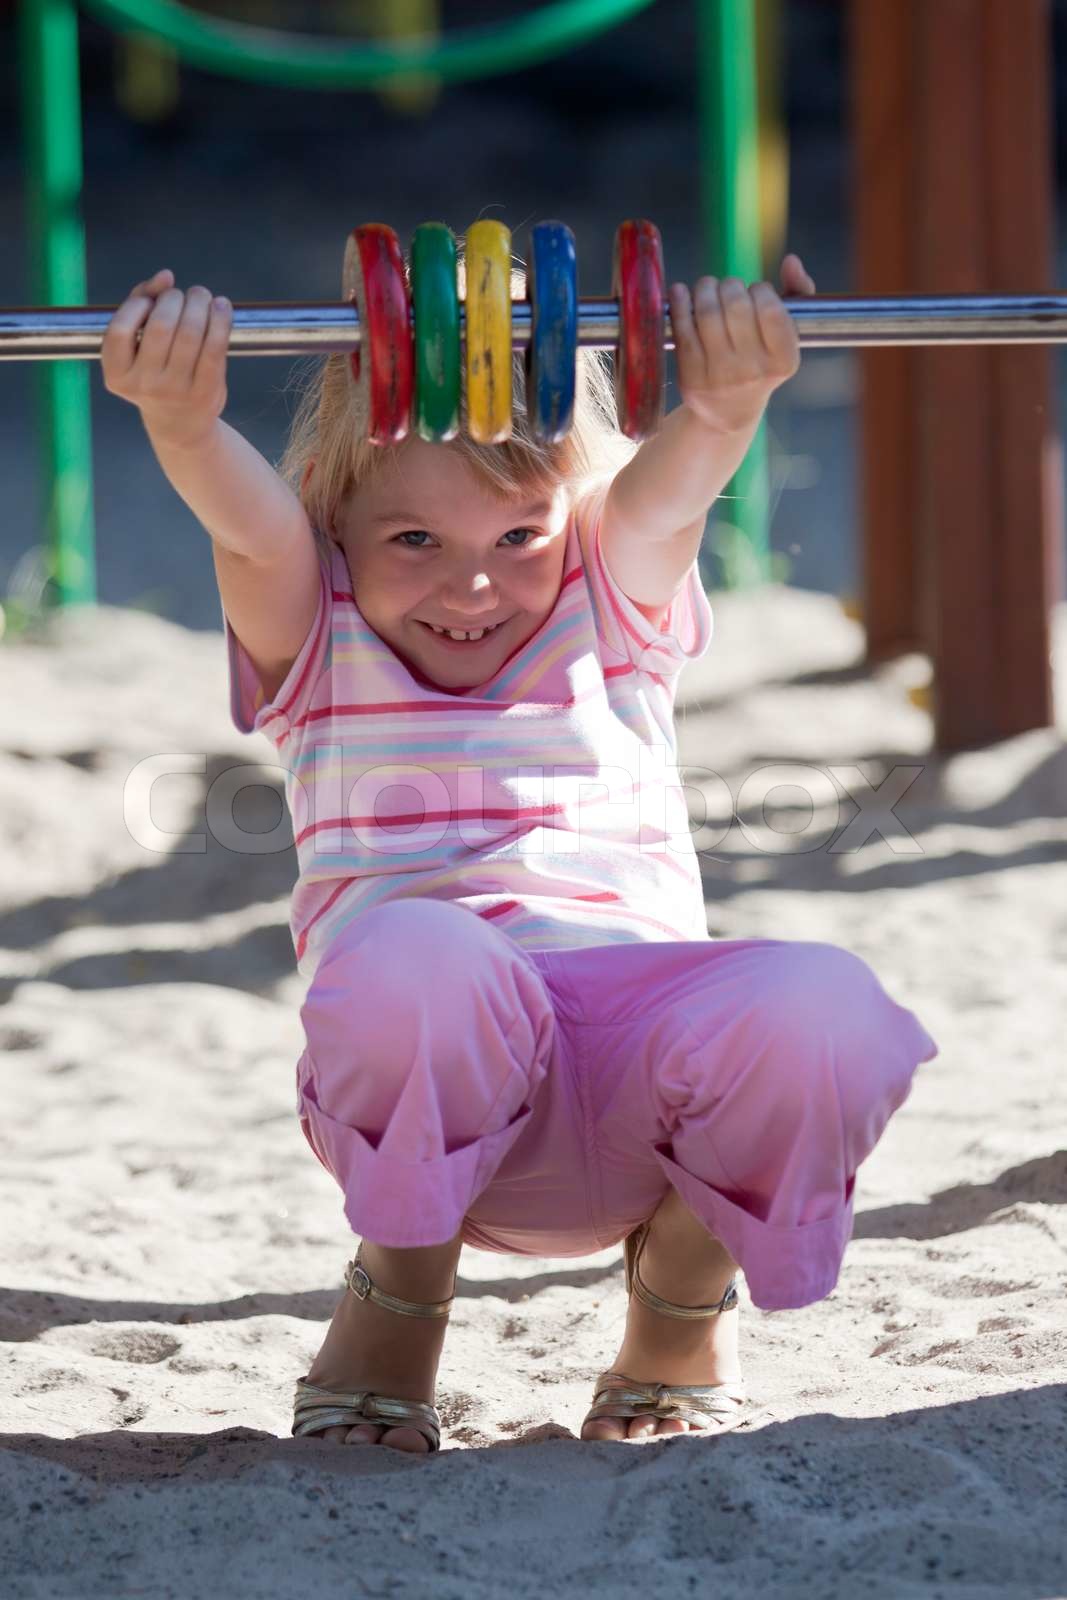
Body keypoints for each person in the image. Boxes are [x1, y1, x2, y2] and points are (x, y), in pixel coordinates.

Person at [101, 241, 937, 1456]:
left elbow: (670, 486)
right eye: (413, 543)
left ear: (569, 520)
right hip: (432, 1091)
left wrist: (728, 399)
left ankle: (679, 1311)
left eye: (516, 536)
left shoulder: (610, 597)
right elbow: (250, 529)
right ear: (339, 526)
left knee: (819, 1001)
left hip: (648, 1081)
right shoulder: (316, 624)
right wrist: (182, 425)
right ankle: (395, 1306)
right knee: (414, 960)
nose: (474, 586)